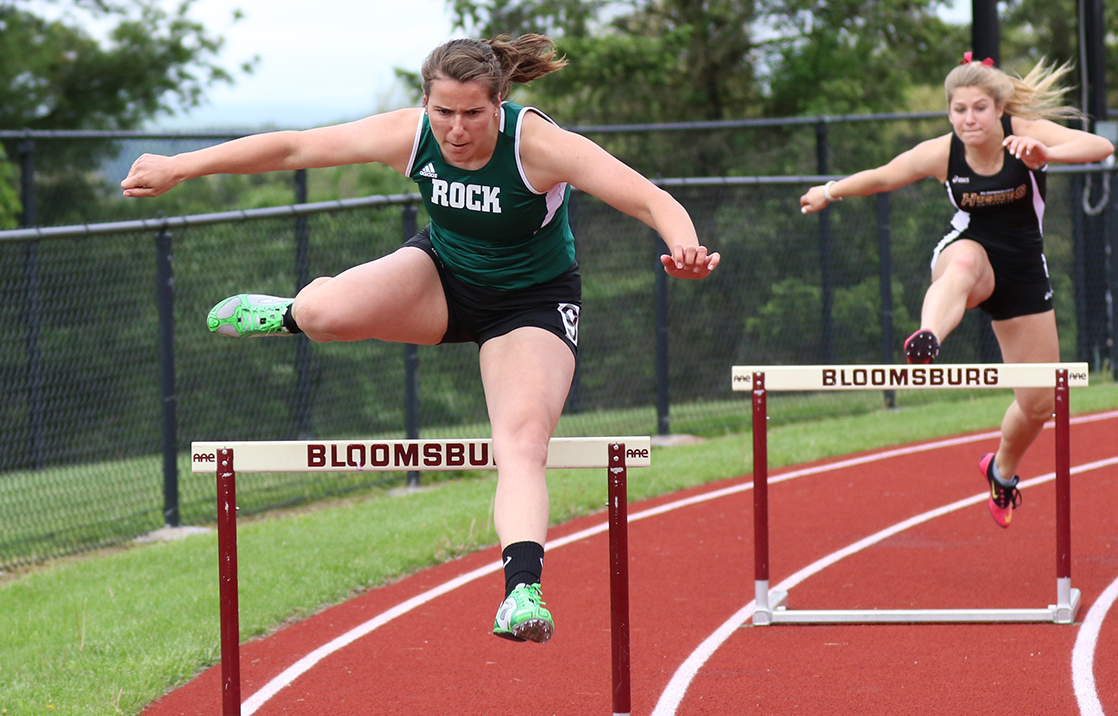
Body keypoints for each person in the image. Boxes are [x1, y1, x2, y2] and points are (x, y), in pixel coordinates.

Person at [120, 34, 720, 642]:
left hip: (528, 305)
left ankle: (522, 593)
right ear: (426, 104)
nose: (456, 131)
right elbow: (295, 146)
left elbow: (648, 198)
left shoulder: (536, 145)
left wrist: (684, 244)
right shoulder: (410, 136)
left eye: (473, 114)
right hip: (442, 277)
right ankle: (293, 314)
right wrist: (180, 165)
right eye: (444, 113)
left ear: (499, 103)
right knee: (327, 314)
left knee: (521, 442)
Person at [798, 54, 1114, 527]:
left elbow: (1099, 145)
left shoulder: (1026, 132)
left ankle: (1001, 472)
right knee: (964, 262)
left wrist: (1048, 154)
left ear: (999, 107)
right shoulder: (941, 153)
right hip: (966, 254)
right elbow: (886, 175)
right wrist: (830, 190)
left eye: (980, 108)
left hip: (1024, 271)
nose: (969, 119)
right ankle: (929, 337)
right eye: (959, 110)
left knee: (1039, 404)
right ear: (949, 112)